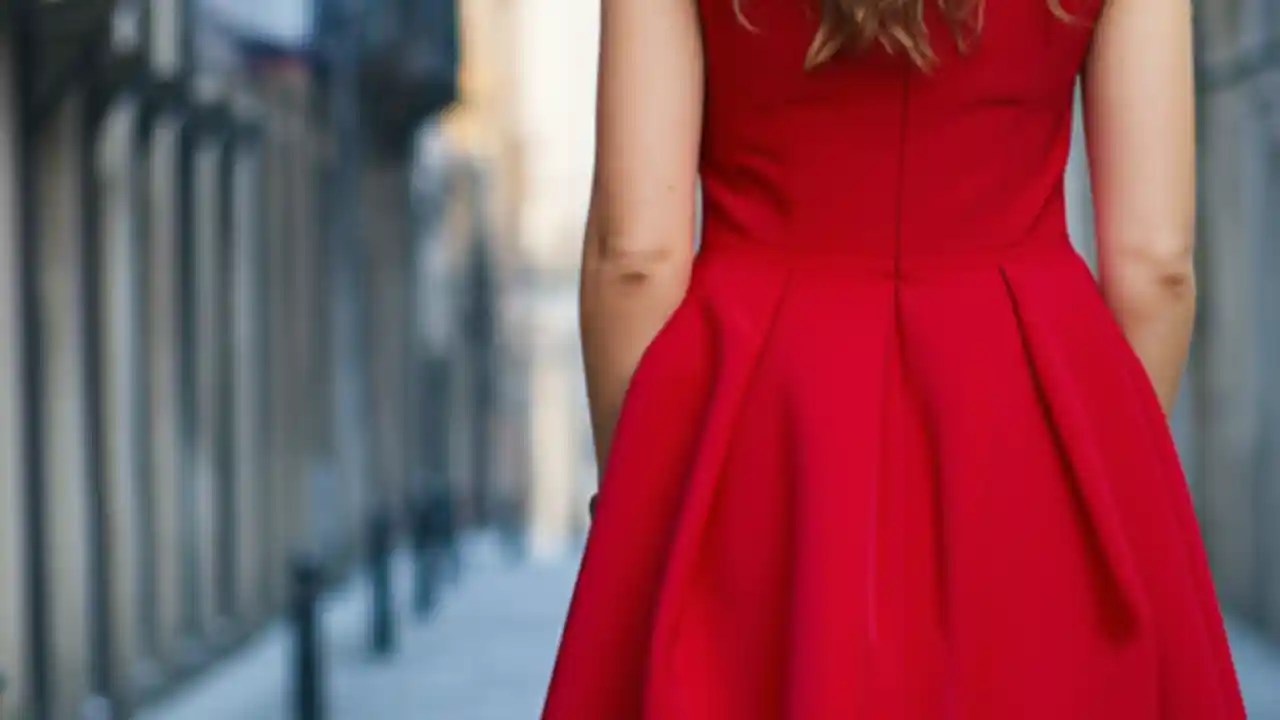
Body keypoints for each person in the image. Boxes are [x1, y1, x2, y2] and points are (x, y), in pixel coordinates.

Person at [544, 0, 1247, 716]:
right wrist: (1102, 473)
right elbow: (1155, 265)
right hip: (1024, 414)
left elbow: (635, 255)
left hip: (757, 419)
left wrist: (642, 487)